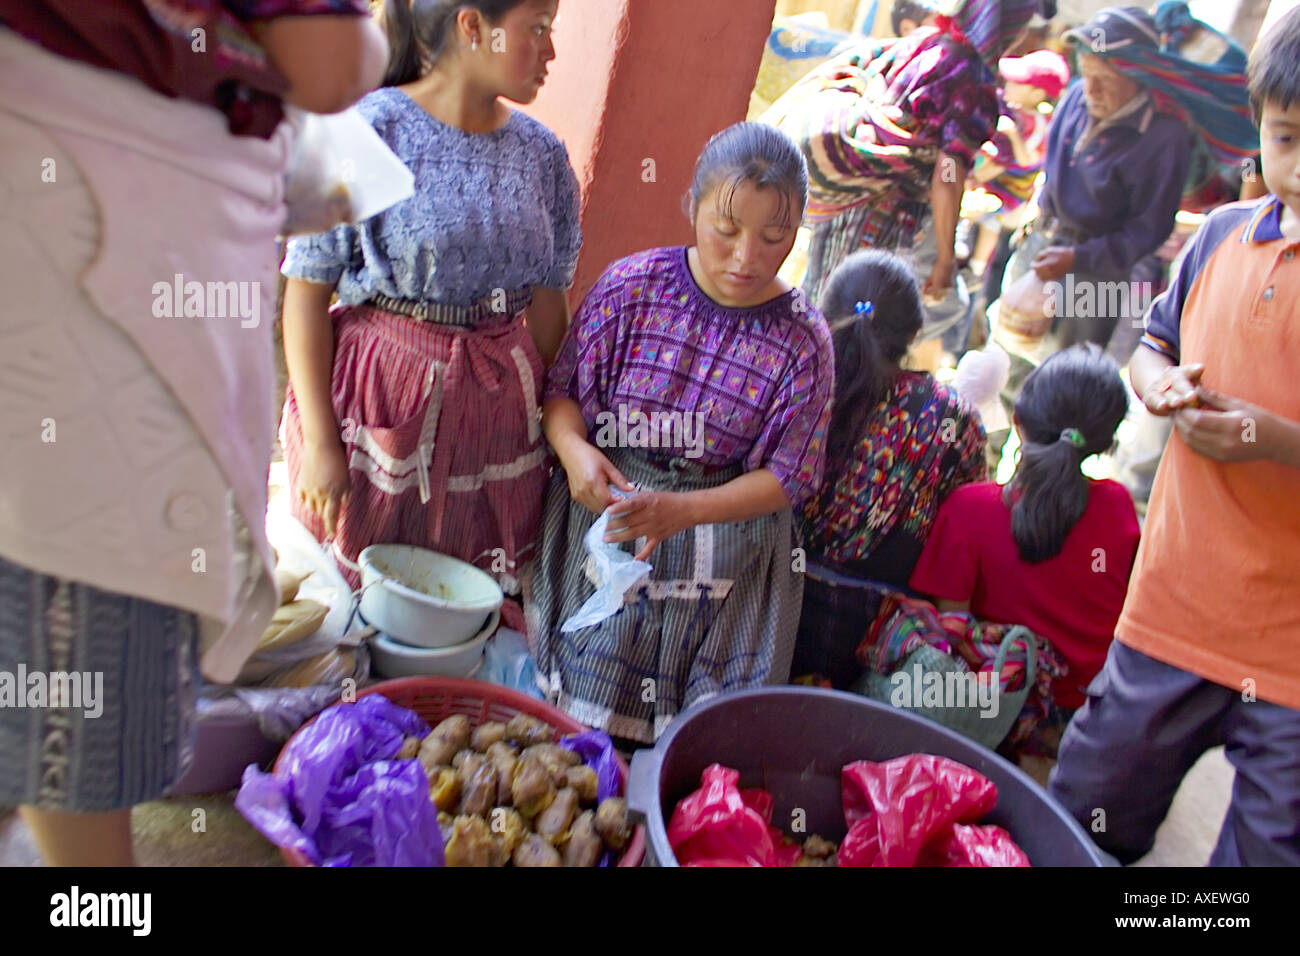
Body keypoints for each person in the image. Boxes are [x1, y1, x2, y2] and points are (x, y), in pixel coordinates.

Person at [0, 0, 386, 865]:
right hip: (102, 364)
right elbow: (329, 62)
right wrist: (371, 31)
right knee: (76, 774)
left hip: (73, 330)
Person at [1048, 7, 1300, 866]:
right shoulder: (1223, 239)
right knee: (1083, 814)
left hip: (1292, 654)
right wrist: (1159, 386)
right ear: (1262, 127)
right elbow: (1156, 343)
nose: (1299, 167)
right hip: (1172, 607)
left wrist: (1276, 440)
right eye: (1289, 137)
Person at [528, 122, 835, 744]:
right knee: (566, 714)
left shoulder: (805, 341)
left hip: (723, 537)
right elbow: (562, 394)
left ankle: (655, 809)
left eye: (774, 237)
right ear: (691, 207)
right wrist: (574, 450)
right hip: (607, 512)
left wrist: (683, 511)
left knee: (690, 741)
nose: (747, 257)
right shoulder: (630, 288)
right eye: (726, 231)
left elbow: (789, 477)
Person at [280, 0, 581, 623]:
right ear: (473, 27)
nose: (551, 52)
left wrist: (568, 423)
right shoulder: (364, 132)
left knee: (465, 610)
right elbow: (306, 294)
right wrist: (318, 442)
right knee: (361, 604)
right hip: (379, 407)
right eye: (539, 30)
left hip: (501, 419)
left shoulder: (544, 157)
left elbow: (550, 308)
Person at [1012, 4, 1257, 367]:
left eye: (1105, 81)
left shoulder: (1163, 137)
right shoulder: (1076, 97)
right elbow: (1053, 167)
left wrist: (1078, 257)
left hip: (1099, 274)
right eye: (1087, 73)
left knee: (1064, 370)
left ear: (1138, 78)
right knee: (1015, 345)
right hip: (1046, 244)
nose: (1090, 89)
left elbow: (1148, 231)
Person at [909, 344, 1138, 720]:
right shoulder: (1118, 508)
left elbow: (952, 636)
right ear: (1106, 443)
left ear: (1017, 422)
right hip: (1083, 715)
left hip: (993, 713)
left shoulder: (969, 510)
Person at [762, 0, 1039, 305]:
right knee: (843, 308)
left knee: (815, 290)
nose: (1023, 34)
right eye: (1021, 23)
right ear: (1006, 26)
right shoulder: (972, 80)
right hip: (878, 206)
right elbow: (948, 172)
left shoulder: (929, 43)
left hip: (846, 186)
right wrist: (946, 259)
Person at [794, 249, 986, 687]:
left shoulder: (800, 379)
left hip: (765, 606)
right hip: (877, 641)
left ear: (826, 312)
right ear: (916, 331)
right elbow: (965, 525)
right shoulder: (952, 418)